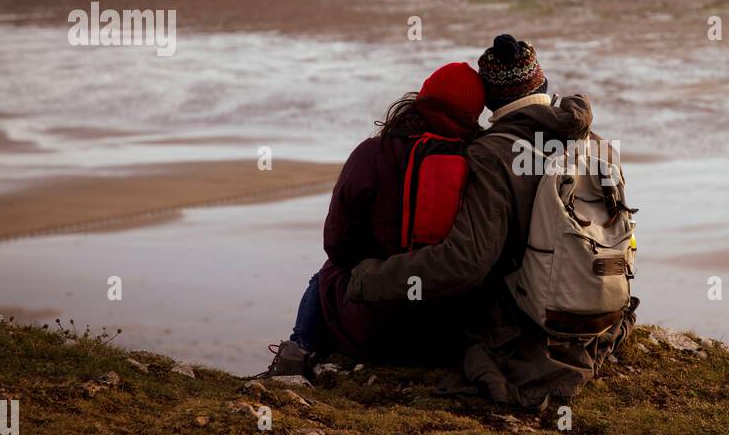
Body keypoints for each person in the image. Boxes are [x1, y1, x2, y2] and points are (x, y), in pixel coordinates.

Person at [343, 34, 636, 407]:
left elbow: (465, 262)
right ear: (542, 84)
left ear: (491, 102)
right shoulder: (596, 145)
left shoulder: (490, 154)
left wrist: (370, 278)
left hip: (528, 325)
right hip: (602, 316)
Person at [259, 62, 487, 378]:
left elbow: (336, 245)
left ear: (422, 97)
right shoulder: (479, 162)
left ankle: (296, 356)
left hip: (374, 333)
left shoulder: (373, 152)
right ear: (473, 117)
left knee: (328, 272)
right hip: (447, 339)